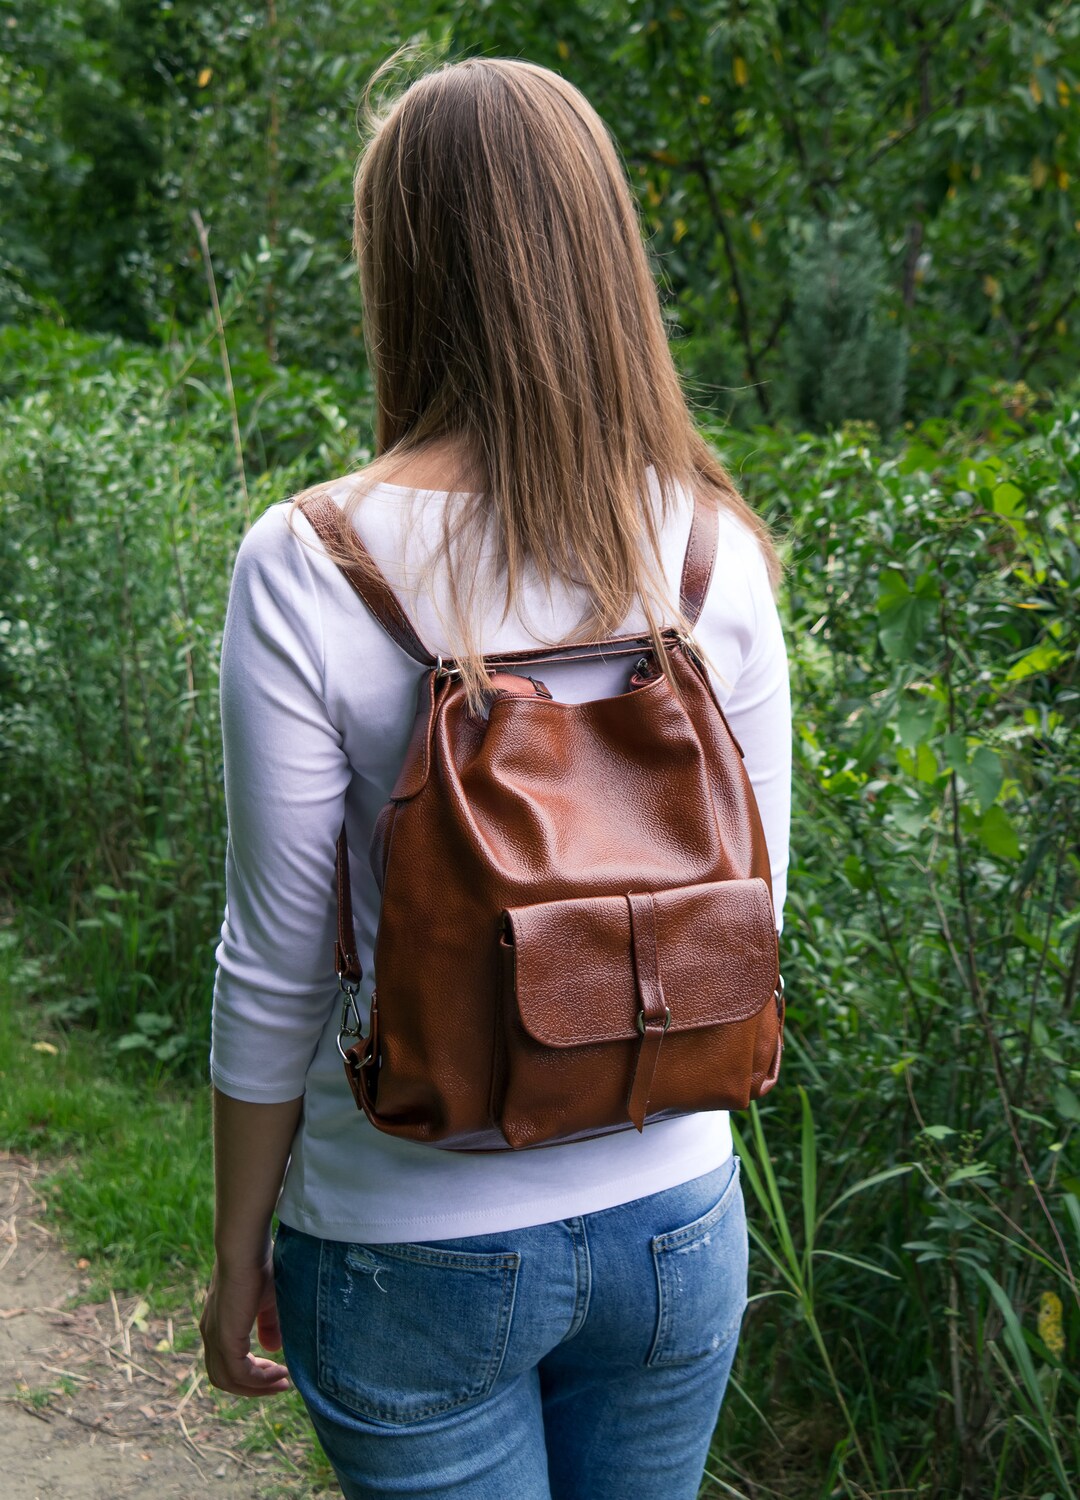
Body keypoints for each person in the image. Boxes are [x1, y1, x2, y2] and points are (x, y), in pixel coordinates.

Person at [200, 56, 791, 1500]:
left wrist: (236, 1253)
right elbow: (756, 895)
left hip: (408, 1234)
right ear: (603, 256)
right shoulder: (712, 547)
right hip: (677, 1216)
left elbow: (278, 962)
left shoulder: (309, 561)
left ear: (398, 265)